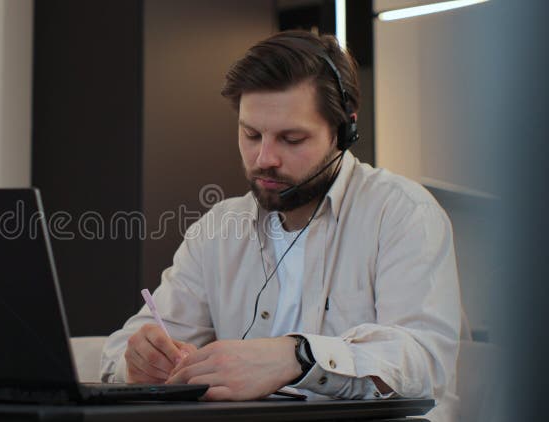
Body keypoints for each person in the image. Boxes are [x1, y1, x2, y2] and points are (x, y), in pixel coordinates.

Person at [100, 30, 462, 422]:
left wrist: (298, 357)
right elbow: (121, 350)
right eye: (250, 134)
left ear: (345, 132)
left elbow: (425, 360)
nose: (264, 158)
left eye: (292, 139)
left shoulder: (402, 213)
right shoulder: (218, 228)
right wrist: (138, 363)